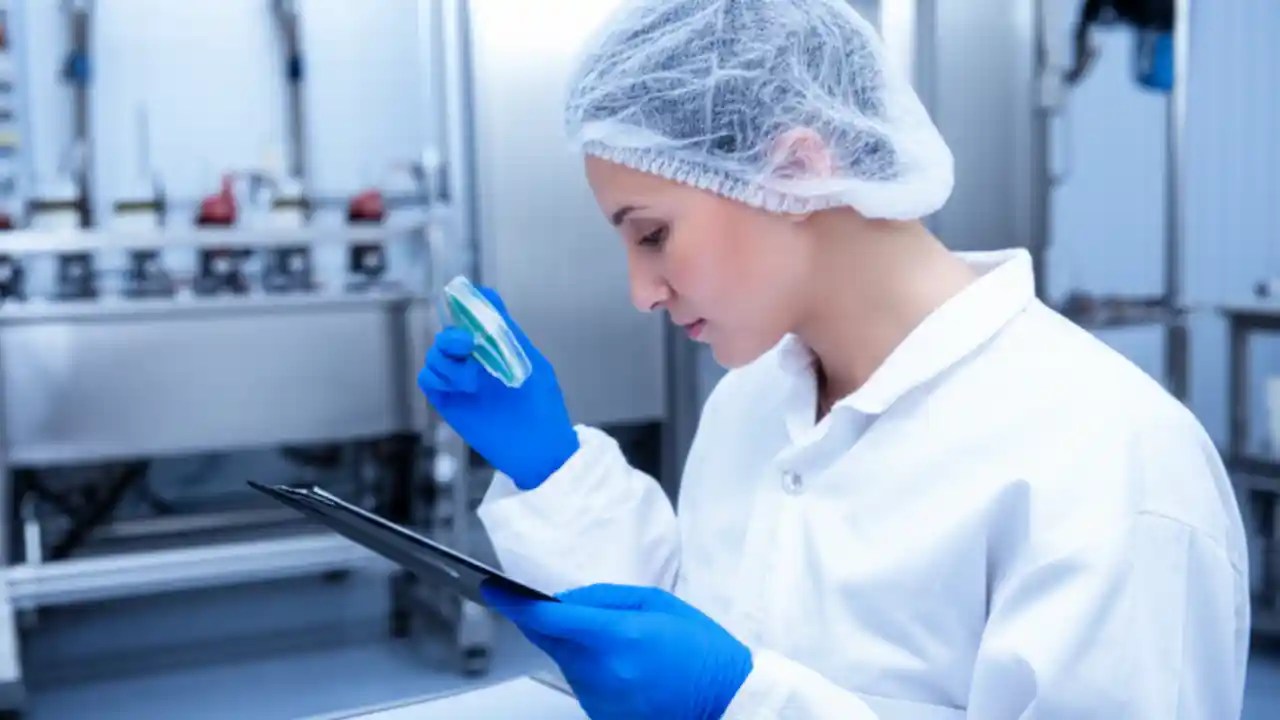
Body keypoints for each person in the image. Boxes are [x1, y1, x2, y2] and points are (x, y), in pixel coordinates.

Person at [417, 0, 1250, 717]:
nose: (643, 291)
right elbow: (680, 635)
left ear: (796, 167)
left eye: (654, 234)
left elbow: (731, 686)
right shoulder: (751, 401)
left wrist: (737, 705)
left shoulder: (1108, 457)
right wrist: (552, 471)